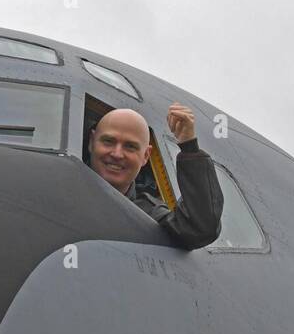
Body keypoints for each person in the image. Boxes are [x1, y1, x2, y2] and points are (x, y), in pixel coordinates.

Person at [88, 105, 223, 249]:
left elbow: (199, 229)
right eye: (108, 141)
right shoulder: (63, 190)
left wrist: (189, 147)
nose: (117, 154)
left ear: (146, 156)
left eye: (130, 147)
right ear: (91, 142)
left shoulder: (147, 214)